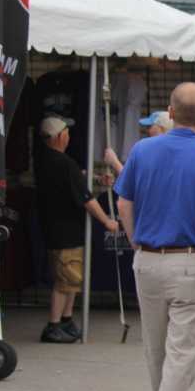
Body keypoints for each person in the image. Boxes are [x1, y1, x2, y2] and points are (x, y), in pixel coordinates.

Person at [115, 83, 195, 391]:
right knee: (181, 356)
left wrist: (136, 239)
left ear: (169, 111)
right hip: (194, 261)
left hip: (149, 258)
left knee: (156, 352)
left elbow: (124, 201)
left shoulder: (142, 150)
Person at [35, 115, 120, 343]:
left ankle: (66, 318)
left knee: (72, 277)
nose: (69, 136)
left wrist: (93, 178)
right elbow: (87, 199)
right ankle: (53, 324)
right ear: (60, 136)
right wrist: (107, 221)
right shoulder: (64, 164)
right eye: (66, 132)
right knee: (66, 279)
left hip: (57, 228)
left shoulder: (46, 161)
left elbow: (77, 180)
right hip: (67, 231)